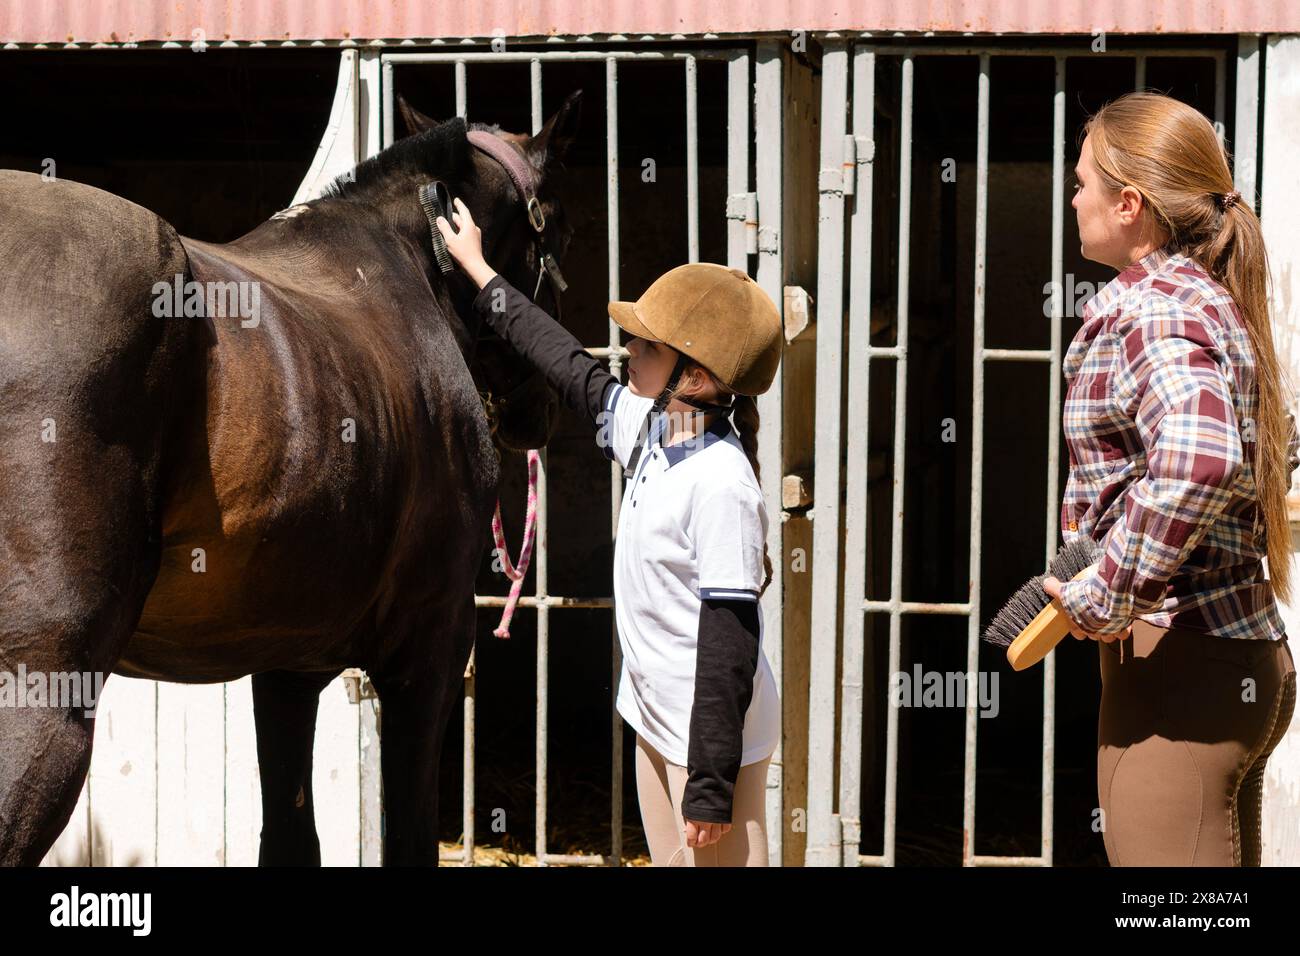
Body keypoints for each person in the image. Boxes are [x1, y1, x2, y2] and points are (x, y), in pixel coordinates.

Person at [436, 197, 783, 866]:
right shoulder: (657, 428)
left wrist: (710, 786)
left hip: (708, 735)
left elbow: (730, 641)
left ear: (699, 377)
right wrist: (481, 273)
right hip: (658, 714)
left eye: (646, 345)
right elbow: (567, 365)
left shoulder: (721, 482)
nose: (627, 349)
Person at [1042, 92, 1297, 866]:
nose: (1073, 195)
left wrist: (1103, 595)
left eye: (1083, 180)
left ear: (1129, 204)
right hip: (1218, 658)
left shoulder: (1153, 309)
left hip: (1184, 662)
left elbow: (1200, 458)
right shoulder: (1205, 300)